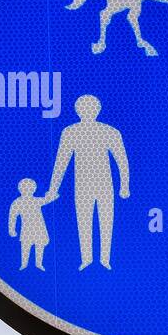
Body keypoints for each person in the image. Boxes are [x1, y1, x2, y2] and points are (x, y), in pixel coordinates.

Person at [43, 95, 130, 270]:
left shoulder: (110, 132)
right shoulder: (70, 132)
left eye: (90, 108)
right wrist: (53, 188)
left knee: (106, 220)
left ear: (97, 110)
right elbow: (61, 162)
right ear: (78, 110)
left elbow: (122, 160)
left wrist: (124, 185)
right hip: (82, 185)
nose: (87, 111)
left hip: (105, 184)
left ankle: (105, 259)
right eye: (83, 108)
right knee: (83, 221)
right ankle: (86, 259)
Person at [8, 178, 49, 270]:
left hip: (39, 227)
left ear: (34, 189)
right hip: (27, 228)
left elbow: (47, 200)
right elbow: (12, 217)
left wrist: (52, 194)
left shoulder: (36, 200)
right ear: (20, 189)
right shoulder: (17, 202)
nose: (28, 190)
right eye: (25, 188)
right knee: (25, 246)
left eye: (30, 188)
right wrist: (12, 229)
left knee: (40, 245)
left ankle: (39, 264)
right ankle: (24, 264)